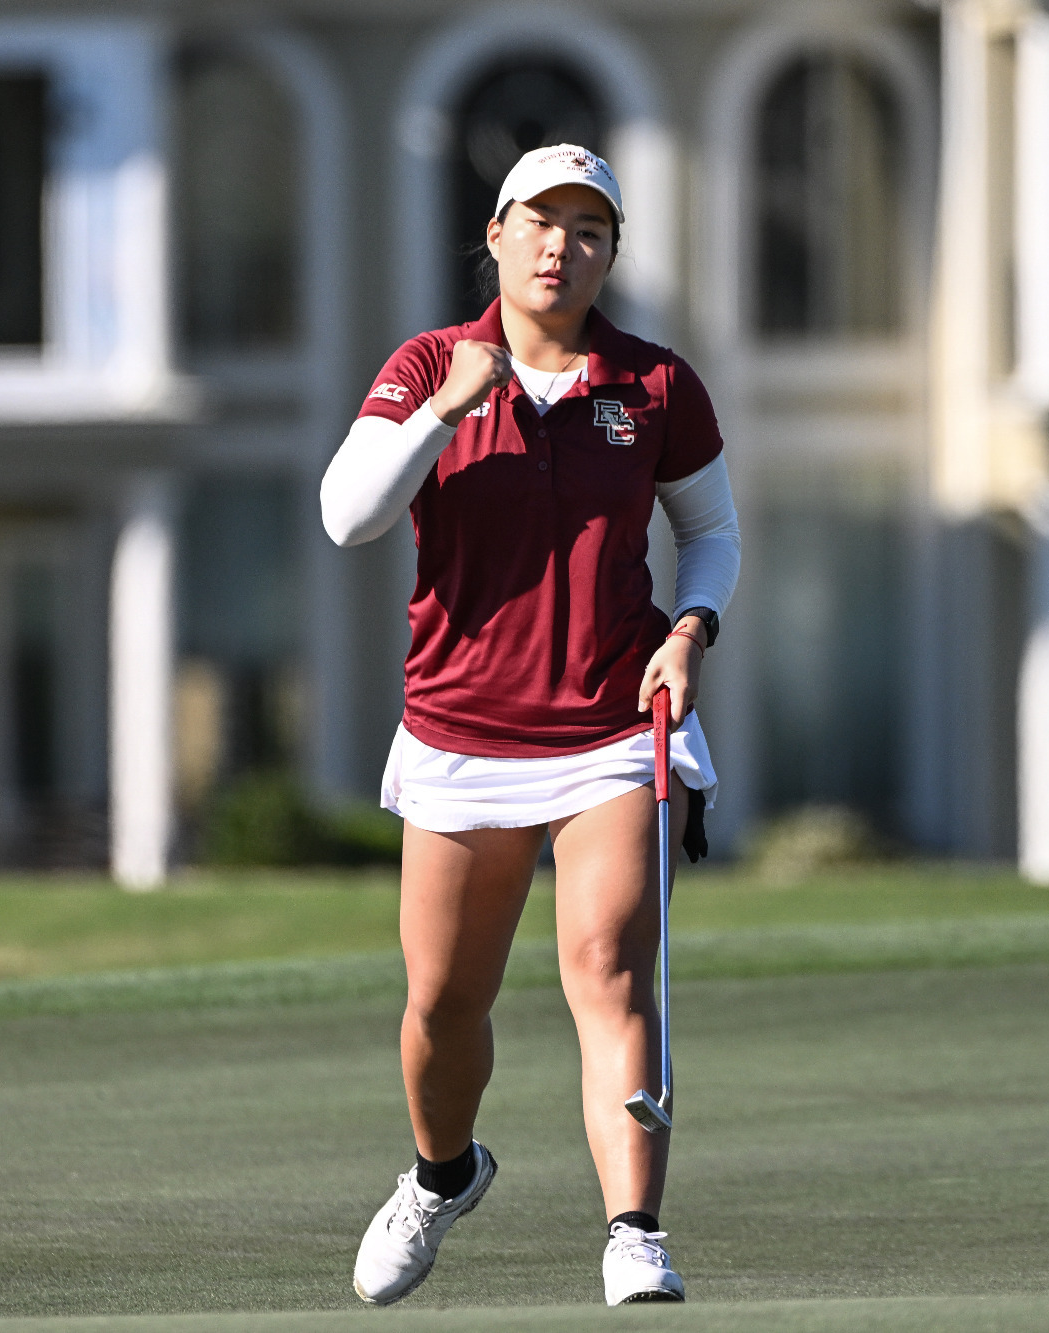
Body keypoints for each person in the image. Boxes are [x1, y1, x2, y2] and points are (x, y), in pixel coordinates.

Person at [319, 143, 740, 1307]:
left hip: (612, 724)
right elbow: (347, 516)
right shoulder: (424, 367)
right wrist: (446, 410)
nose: (563, 246)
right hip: (460, 733)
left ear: (609, 253)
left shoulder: (652, 385)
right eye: (541, 223)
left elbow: (709, 531)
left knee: (609, 968)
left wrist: (689, 631)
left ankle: (632, 1232)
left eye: (590, 230)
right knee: (443, 1003)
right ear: (495, 236)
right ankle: (440, 1175)